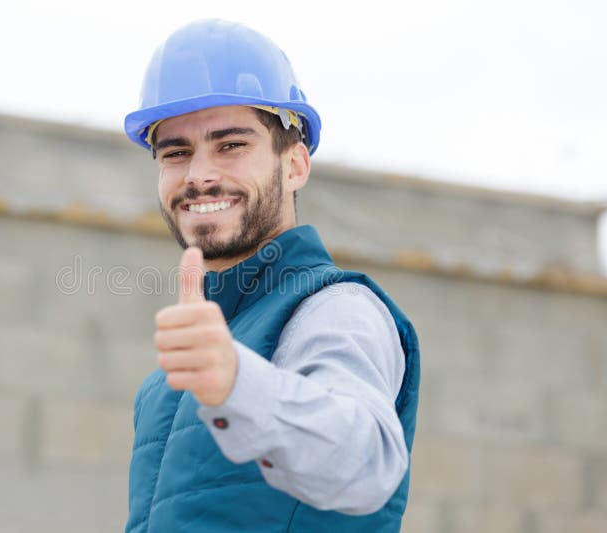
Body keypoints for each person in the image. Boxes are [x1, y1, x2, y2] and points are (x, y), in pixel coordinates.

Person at [122, 19, 420, 533]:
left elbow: (367, 462)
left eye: (231, 145)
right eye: (176, 153)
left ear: (295, 165)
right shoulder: (165, 384)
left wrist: (236, 382)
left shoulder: (335, 309)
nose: (198, 175)